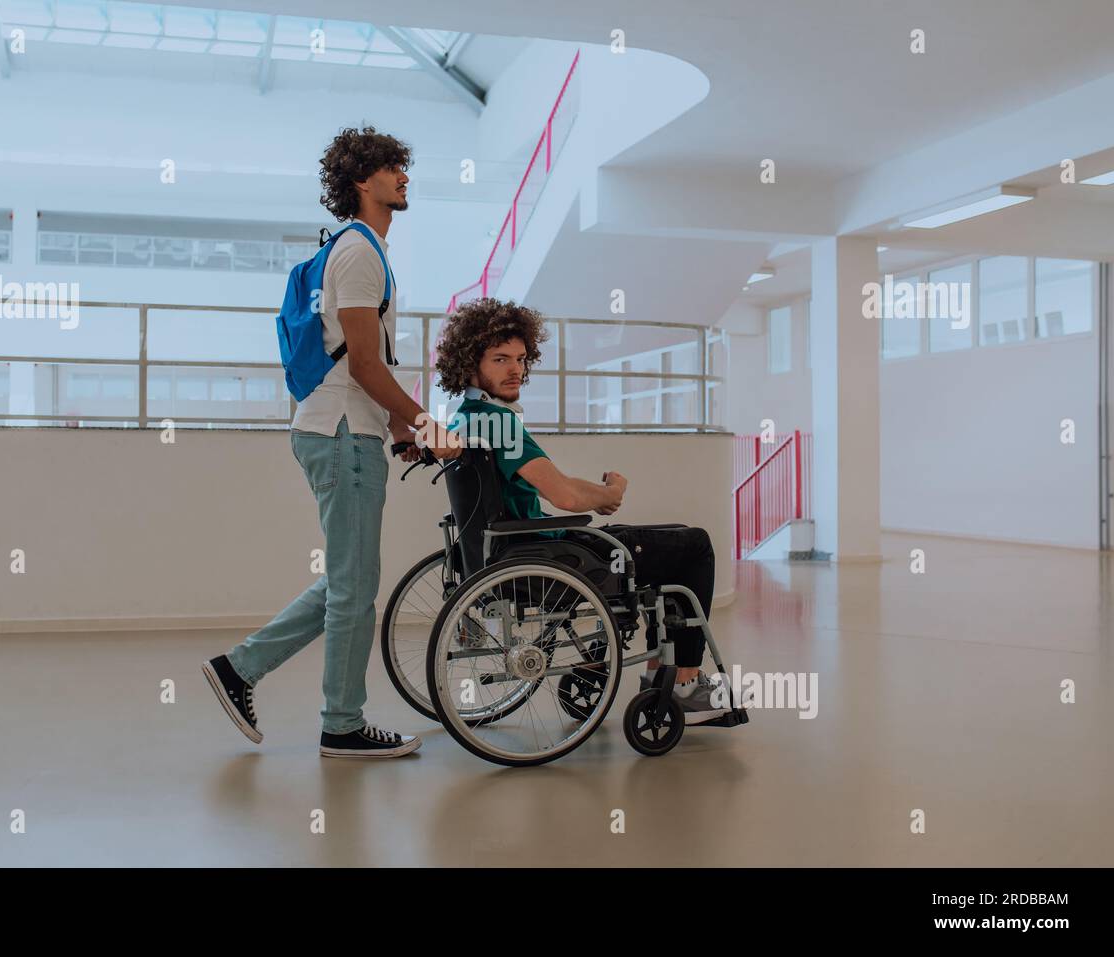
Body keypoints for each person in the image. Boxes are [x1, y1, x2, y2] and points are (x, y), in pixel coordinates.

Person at [203, 126, 460, 758]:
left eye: (405, 164)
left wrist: (398, 426)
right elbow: (368, 367)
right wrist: (426, 422)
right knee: (353, 587)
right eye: (389, 167)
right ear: (358, 182)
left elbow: (354, 362)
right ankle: (340, 726)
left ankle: (239, 670)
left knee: (348, 580)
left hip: (344, 428)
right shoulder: (359, 253)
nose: (403, 175)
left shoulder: (354, 250)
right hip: (342, 434)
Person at [434, 298, 726, 723]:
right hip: (537, 553)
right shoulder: (500, 424)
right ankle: (682, 680)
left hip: (501, 550)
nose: (515, 369)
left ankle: (658, 674)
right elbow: (566, 498)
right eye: (500, 359)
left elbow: (561, 485)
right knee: (694, 545)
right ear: (469, 364)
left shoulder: (465, 419)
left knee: (672, 536)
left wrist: (598, 494)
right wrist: (609, 494)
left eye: (519, 359)